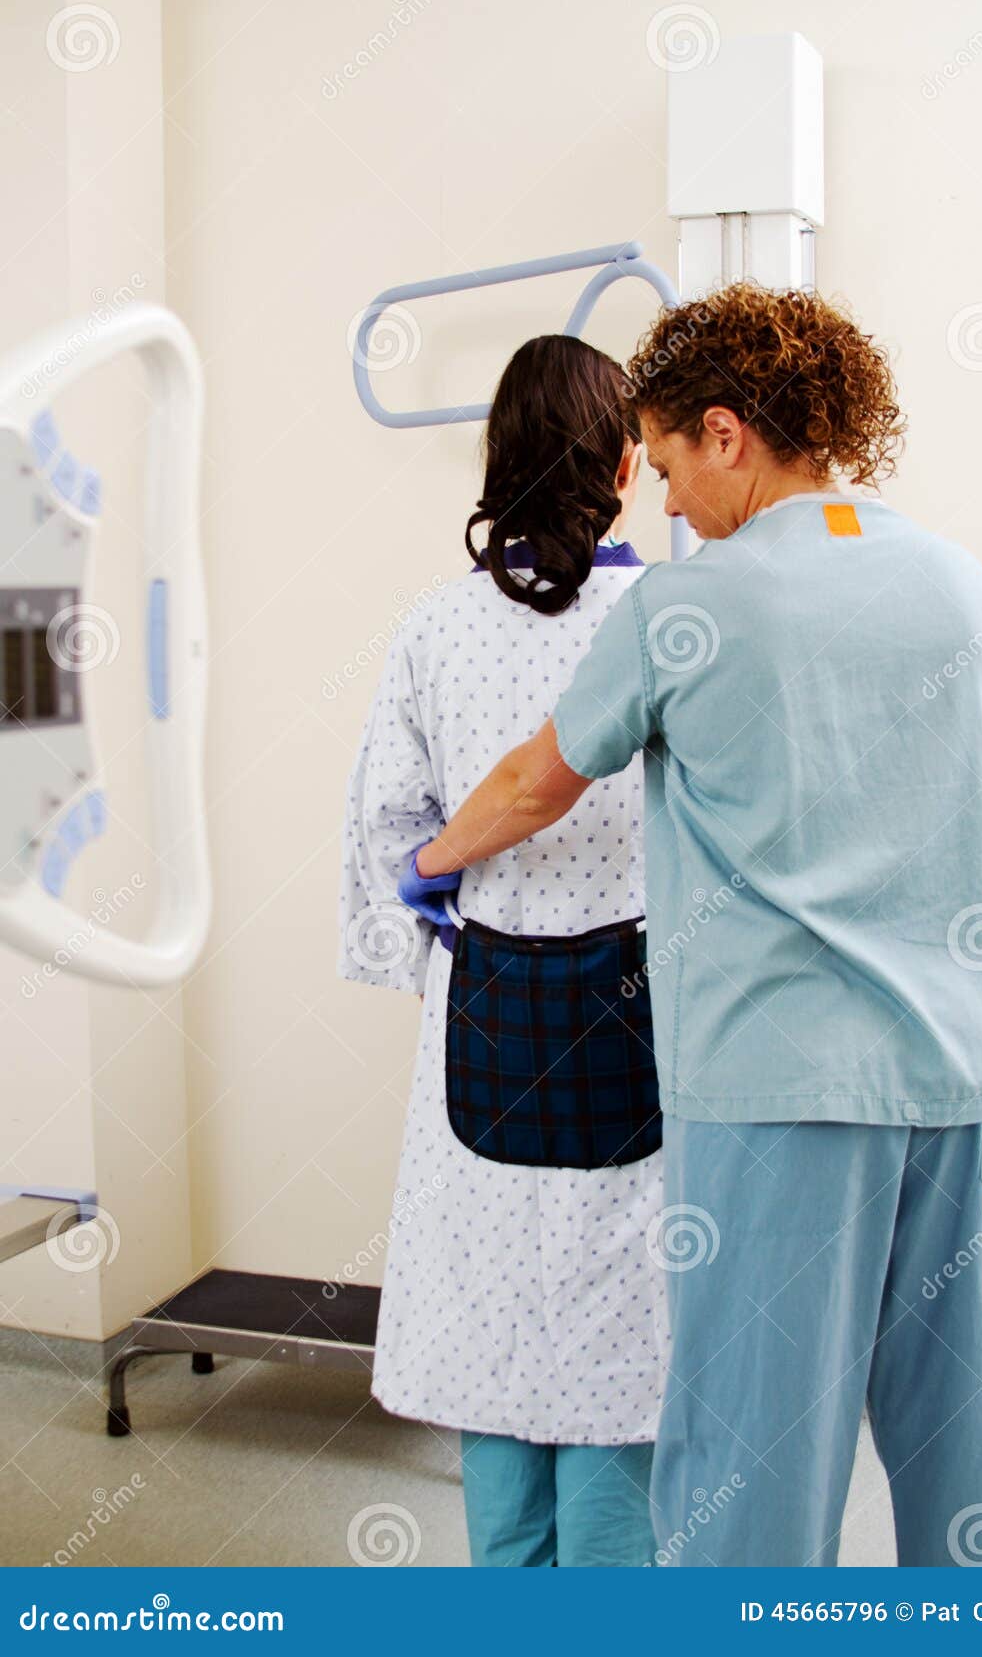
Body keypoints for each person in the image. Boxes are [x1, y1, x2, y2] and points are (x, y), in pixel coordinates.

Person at [409, 284, 982, 1568]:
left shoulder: (691, 607)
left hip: (773, 1094)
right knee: (958, 1442)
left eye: (673, 457)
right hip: (956, 1086)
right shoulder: (968, 593)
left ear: (726, 431)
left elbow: (537, 780)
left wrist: (430, 857)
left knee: (749, 1463)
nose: (668, 500)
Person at [338, 334, 668, 1568]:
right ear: (625, 463)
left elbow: (390, 833)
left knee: (488, 1329)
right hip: (639, 1014)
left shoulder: (434, 629)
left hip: (481, 1015)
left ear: (498, 463)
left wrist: (442, 900)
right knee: (620, 1325)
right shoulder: (667, 620)